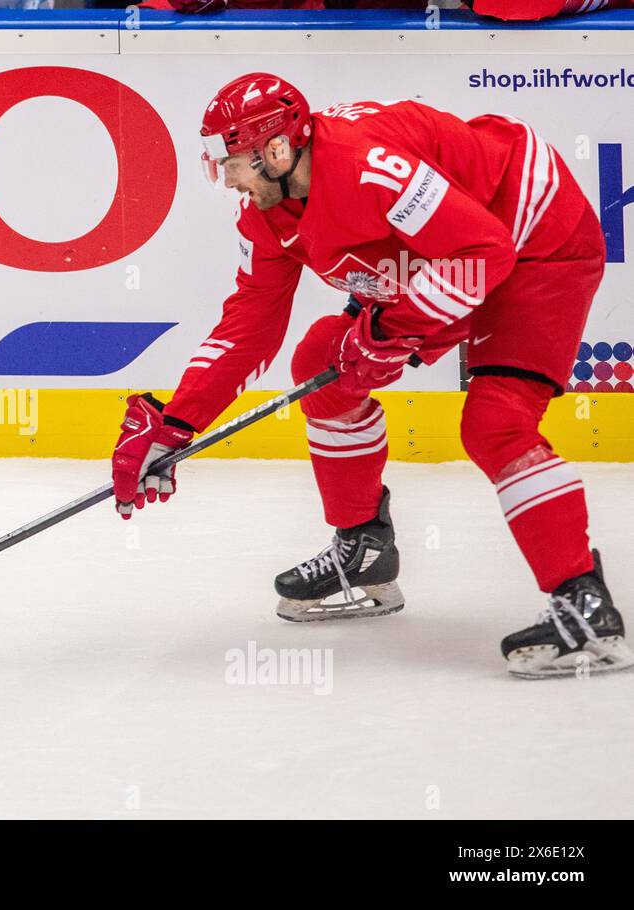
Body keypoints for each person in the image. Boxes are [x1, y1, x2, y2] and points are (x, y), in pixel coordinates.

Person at [110, 72, 631, 679]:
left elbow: (486, 252)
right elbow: (248, 325)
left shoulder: (367, 169)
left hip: (534, 235)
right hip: (447, 248)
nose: (227, 179)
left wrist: (392, 330)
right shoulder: (269, 213)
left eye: (234, 164)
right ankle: (365, 548)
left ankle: (584, 605)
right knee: (322, 367)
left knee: (495, 424)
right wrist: (176, 423)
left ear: (278, 151)